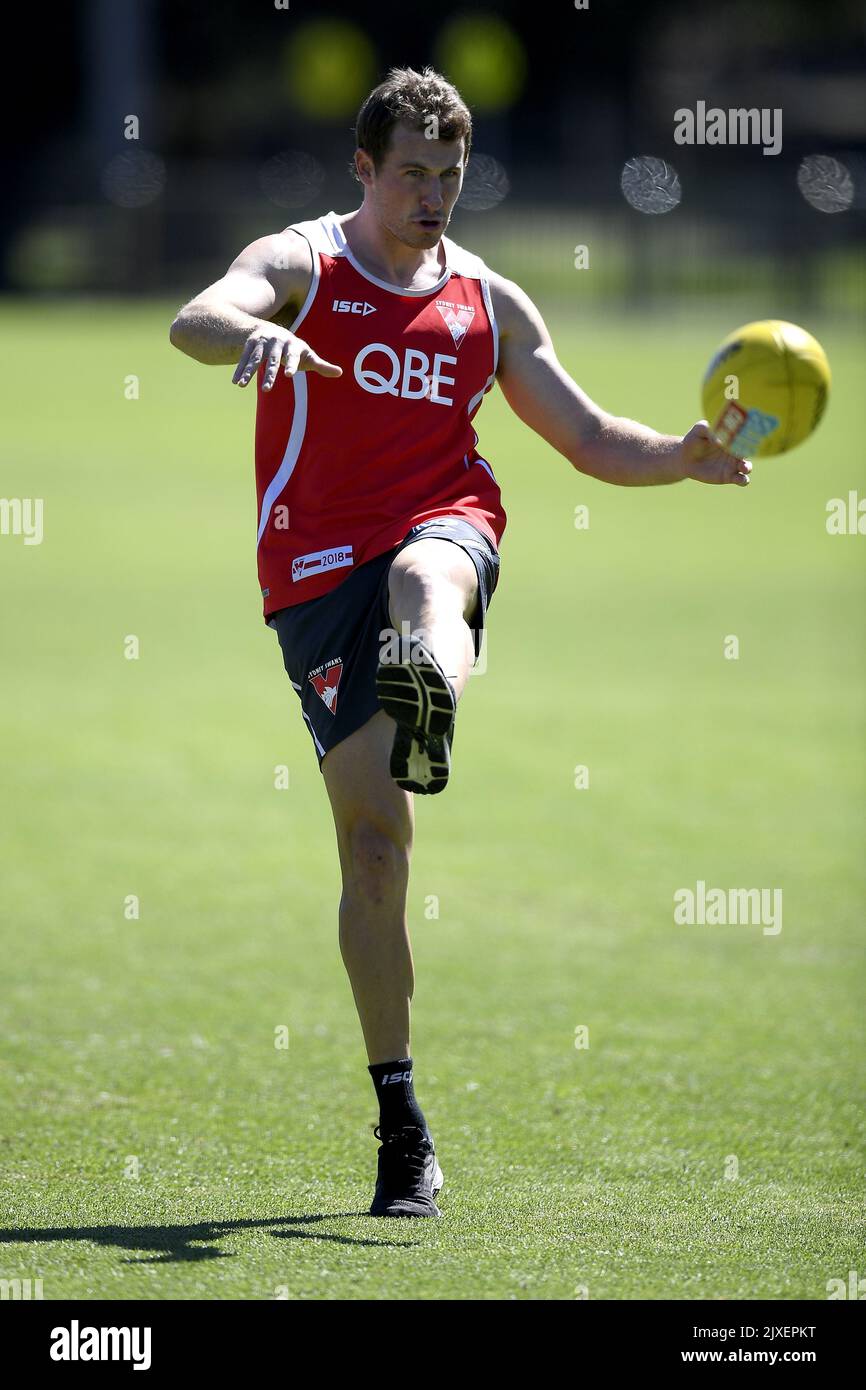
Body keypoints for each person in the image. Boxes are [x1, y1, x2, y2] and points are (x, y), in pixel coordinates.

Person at [169, 65, 750, 1219]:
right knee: (375, 856)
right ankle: (399, 1118)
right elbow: (199, 314)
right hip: (311, 580)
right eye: (412, 176)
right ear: (363, 169)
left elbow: (584, 435)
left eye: (450, 176)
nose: (433, 196)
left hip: (437, 528)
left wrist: (676, 456)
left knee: (429, 569)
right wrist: (257, 337)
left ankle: (432, 670)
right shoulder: (307, 262)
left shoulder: (485, 302)